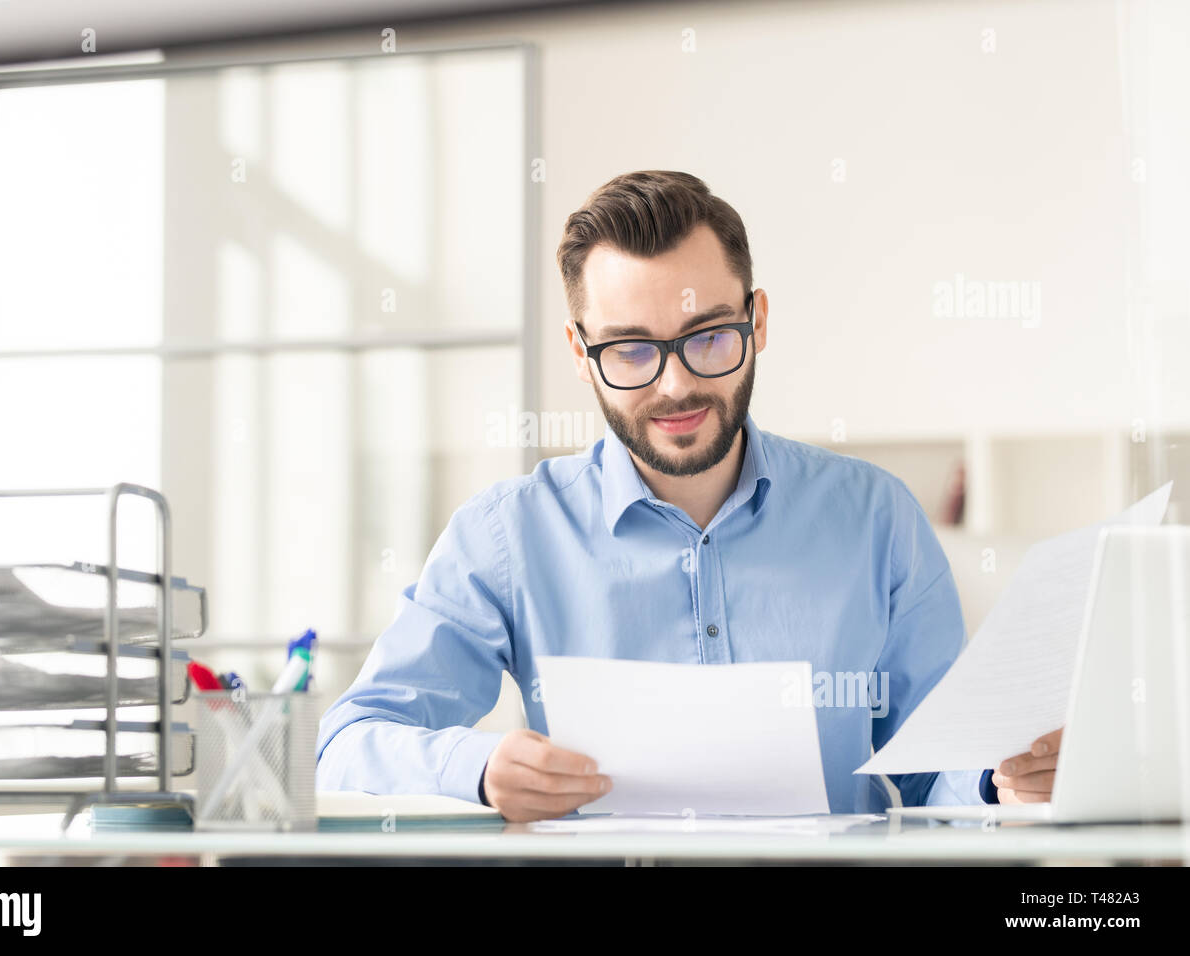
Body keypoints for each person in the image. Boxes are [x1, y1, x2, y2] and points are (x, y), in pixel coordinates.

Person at [315, 170, 1063, 822]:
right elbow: (347, 743)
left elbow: (936, 772)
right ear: (582, 354)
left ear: (756, 320)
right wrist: (476, 770)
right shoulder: (505, 535)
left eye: (707, 337)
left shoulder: (877, 520)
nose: (675, 385)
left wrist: (1000, 782)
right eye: (631, 349)